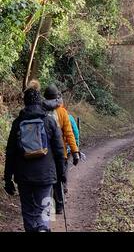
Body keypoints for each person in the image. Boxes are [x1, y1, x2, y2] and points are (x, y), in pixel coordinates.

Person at [3, 86, 65, 232]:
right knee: (45, 209)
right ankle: (44, 229)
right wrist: (62, 174)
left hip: (23, 176)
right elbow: (59, 151)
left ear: (24, 103)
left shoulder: (17, 123)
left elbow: (10, 152)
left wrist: (8, 179)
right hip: (46, 176)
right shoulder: (49, 121)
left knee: (28, 211)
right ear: (40, 102)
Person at [42, 84, 80, 214]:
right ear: (57, 97)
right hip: (60, 152)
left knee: (47, 180)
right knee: (58, 180)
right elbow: (69, 134)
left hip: (44, 153)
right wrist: (75, 152)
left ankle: (47, 207)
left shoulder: (41, 110)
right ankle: (59, 206)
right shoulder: (62, 112)